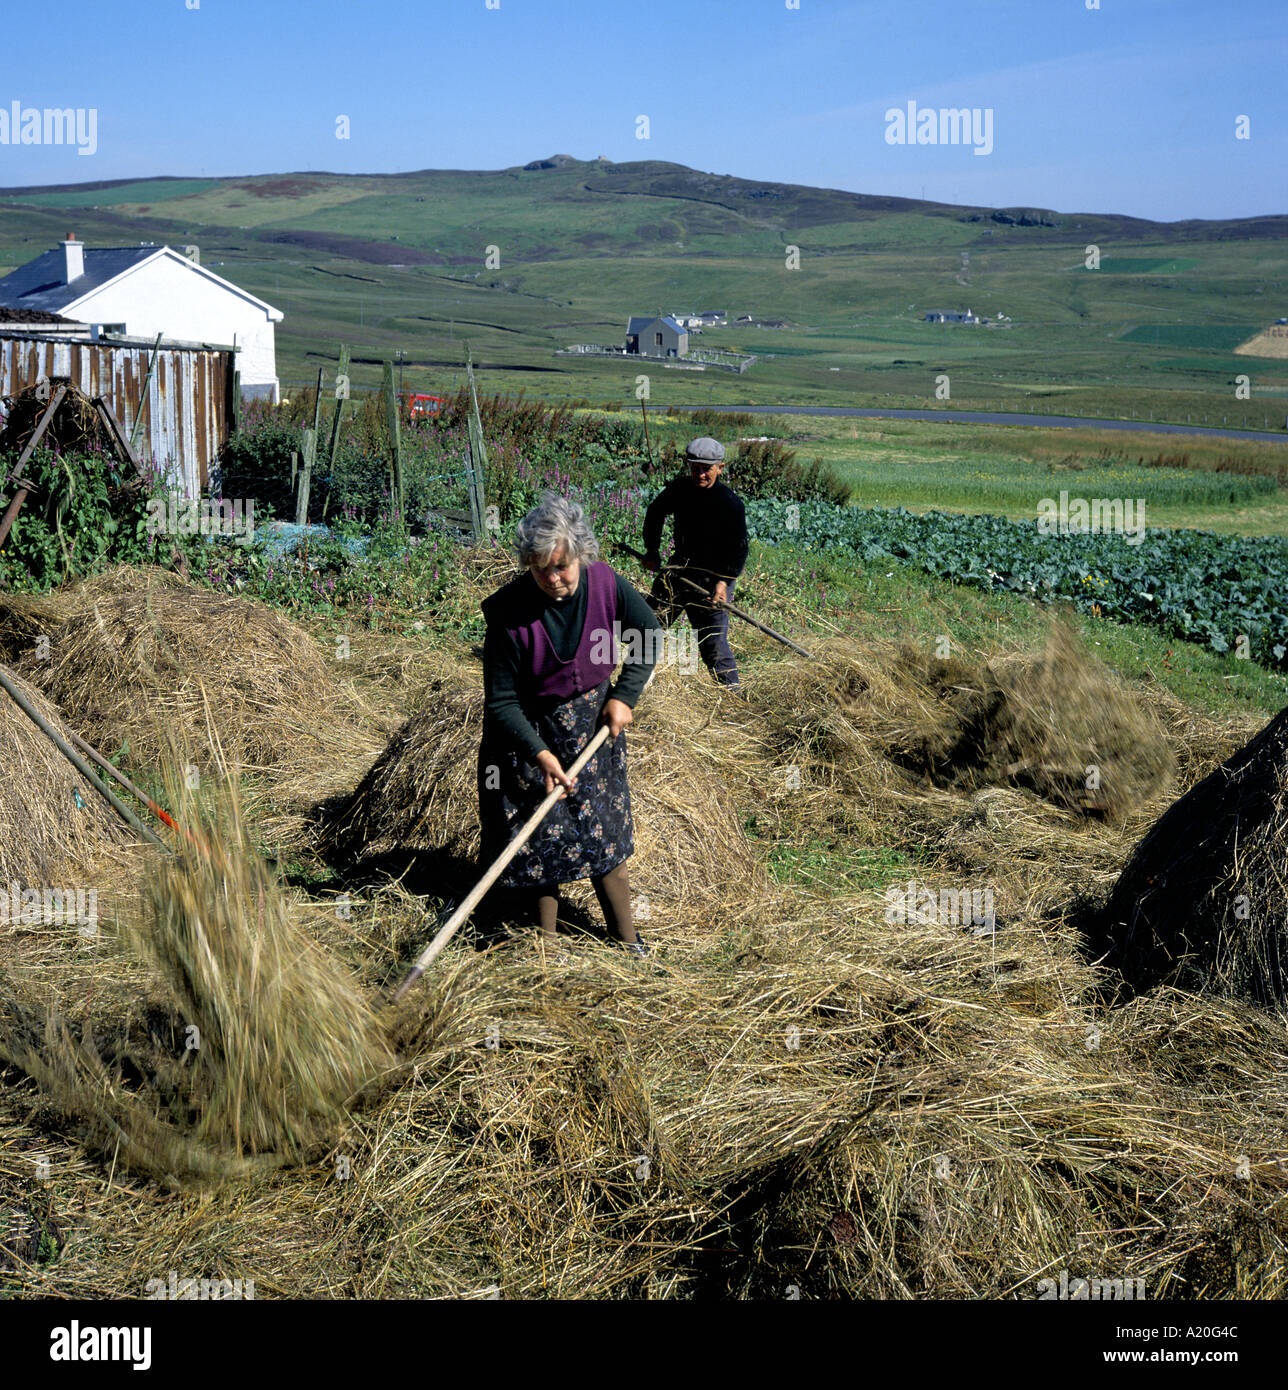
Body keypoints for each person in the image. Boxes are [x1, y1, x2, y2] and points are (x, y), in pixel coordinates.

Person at [478, 491, 665, 955]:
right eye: (541, 568)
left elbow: (648, 632)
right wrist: (539, 756)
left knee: (605, 829)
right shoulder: (508, 615)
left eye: (562, 566)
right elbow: (500, 703)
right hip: (527, 734)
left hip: (593, 729)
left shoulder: (604, 583)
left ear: (580, 554)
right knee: (542, 837)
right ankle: (543, 949)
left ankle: (627, 941)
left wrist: (625, 695)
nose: (553, 578)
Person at [642, 436, 748, 691]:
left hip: (713, 579)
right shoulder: (679, 490)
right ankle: (635, 685)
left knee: (712, 643)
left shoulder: (730, 504)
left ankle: (732, 694)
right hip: (679, 570)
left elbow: (739, 548)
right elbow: (655, 512)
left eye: (706, 469)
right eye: (695, 467)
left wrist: (723, 582)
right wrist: (652, 551)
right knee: (648, 627)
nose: (700, 474)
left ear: (720, 468)